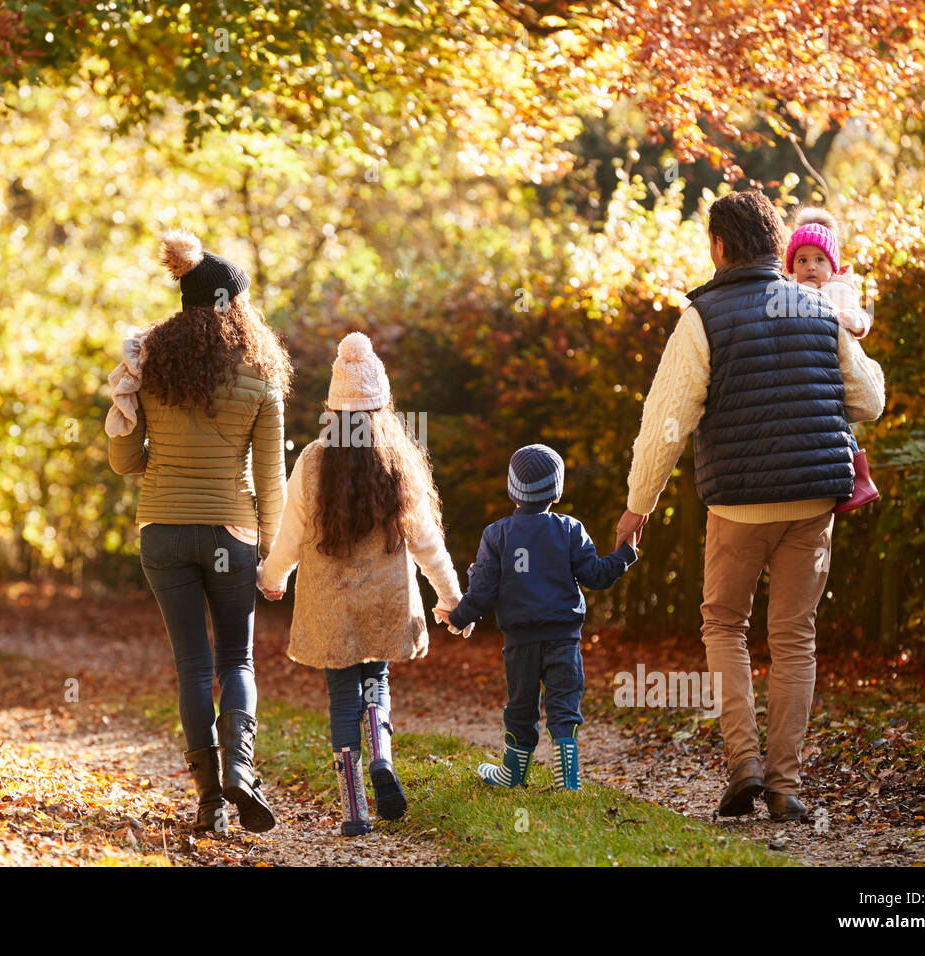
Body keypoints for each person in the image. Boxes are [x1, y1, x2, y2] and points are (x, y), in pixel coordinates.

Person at [615, 190, 886, 821]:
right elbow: (869, 399)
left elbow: (665, 423)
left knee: (723, 625)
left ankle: (745, 766)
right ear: (775, 247)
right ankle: (784, 786)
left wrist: (638, 505)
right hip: (814, 500)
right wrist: (848, 327)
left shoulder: (702, 318)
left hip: (738, 506)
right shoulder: (817, 308)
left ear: (718, 247)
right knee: (794, 638)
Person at [107, 230, 291, 833]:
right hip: (229, 536)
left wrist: (122, 413)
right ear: (231, 306)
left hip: (162, 531)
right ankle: (241, 770)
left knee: (192, 665)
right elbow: (270, 478)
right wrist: (274, 558)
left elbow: (128, 463)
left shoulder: (151, 364)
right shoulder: (260, 372)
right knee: (236, 660)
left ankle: (210, 801)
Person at [257, 332, 463, 836]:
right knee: (377, 683)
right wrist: (451, 597)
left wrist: (272, 576)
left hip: (331, 604)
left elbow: (290, 533)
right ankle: (383, 758)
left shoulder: (311, 462)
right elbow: (427, 542)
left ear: (334, 406)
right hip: (385, 599)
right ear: (380, 403)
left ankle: (354, 811)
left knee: (340, 695)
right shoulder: (398, 461)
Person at [445, 444, 638, 791]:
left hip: (520, 644)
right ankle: (568, 780)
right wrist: (625, 554)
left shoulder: (497, 535)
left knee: (521, 706)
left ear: (512, 488)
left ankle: (513, 774)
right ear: (557, 490)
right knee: (564, 705)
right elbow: (596, 575)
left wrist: (459, 617)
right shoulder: (569, 530)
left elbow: (482, 593)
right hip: (564, 639)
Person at [785, 206, 880, 513]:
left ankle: (858, 476)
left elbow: (860, 320)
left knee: (837, 423)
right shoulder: (788, 293)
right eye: (802, 261)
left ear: (832, 266)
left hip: (835, 372)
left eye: (818, 260)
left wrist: (847, 319)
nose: (810, 267)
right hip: (810, 372)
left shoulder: (838, 291)